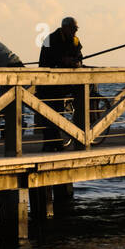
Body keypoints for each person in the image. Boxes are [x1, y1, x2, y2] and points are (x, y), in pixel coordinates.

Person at [37, 17, 84, 150]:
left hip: (64, 83)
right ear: (65, 27)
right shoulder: (49, 39)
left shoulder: (75, 40)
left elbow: (80, 56)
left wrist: (76, 62)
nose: (75, 31)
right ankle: (50, 144)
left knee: (58, 111)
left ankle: (57, 143)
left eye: (76, 29)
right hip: (48, 82)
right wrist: (64, 61)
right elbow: (46, 60)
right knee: (50, 112)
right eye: (73, 28)